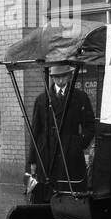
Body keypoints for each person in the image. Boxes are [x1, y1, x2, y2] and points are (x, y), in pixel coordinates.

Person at [26, 63, 96, 203]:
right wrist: (33, 160)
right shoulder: (41, 100)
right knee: (46, 195)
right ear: (52, 78)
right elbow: (35, 131)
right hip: (47, 154)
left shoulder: (80, 97)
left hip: (70, 154)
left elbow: (90, 125)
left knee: (70, 194)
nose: (60, 80)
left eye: (63, 76)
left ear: (70, 76)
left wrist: (78, 144)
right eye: (56, 77)